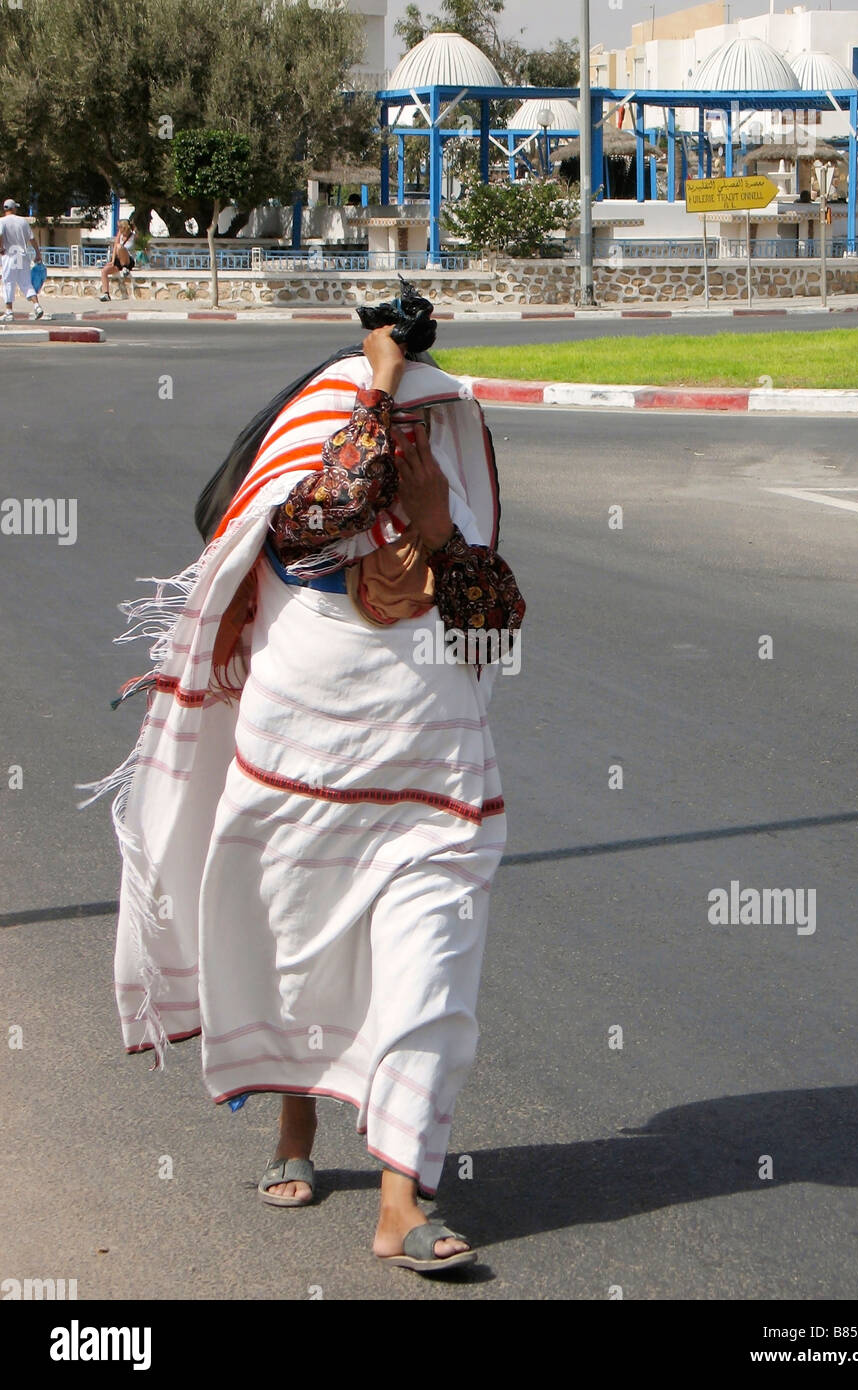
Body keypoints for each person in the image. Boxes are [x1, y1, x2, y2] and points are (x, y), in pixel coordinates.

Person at [84, 309, 525, 1274]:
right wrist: (370, 386)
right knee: (299, 960)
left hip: (435, 789)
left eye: (424, 423)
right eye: (396, 425)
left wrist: (446, 535)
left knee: (431, 989)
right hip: (300, 781)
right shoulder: (308, 480)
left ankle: (403, 1204)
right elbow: (325, 514)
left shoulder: (446, 497)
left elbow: (496, 623)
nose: (416, 440)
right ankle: (294, 1132)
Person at [1, 198, 44, 322]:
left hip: (9, 255)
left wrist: (0, 248)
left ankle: (9, 311)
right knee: (26, 283)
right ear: (13, 208)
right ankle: (37, 305)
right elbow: (32, 239)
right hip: (22, 255)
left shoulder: (2, 221)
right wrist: (38, 253)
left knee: (8, 282)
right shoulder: (22, 221)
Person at [99, 219, 137, 301]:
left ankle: (125, 268)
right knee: (104, 271)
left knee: (120, 247)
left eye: (120, 227)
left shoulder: (133, 236)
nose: (119, 229)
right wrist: (112, 261)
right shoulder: (119, 235)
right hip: (118, 260)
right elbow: (115, 247)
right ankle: (106, 293)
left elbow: (142, 245)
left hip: (128, 260)